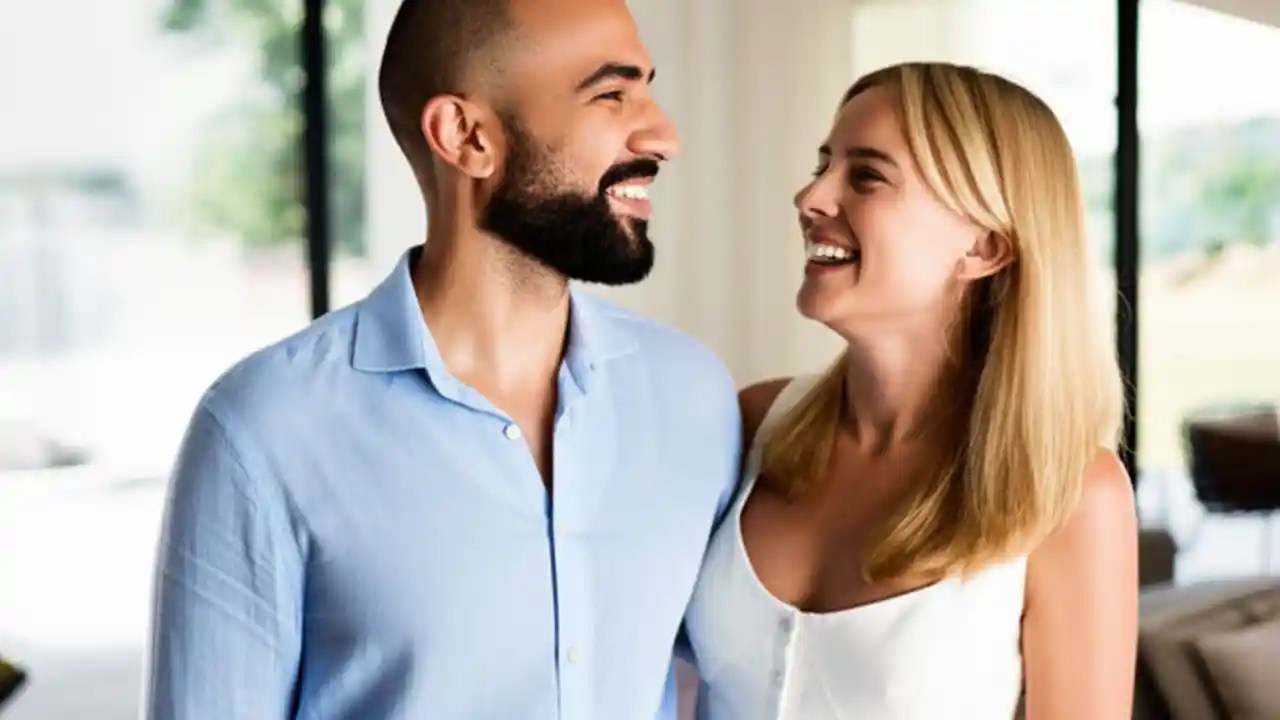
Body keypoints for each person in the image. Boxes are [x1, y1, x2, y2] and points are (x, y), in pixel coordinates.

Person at [142, 1, 741, 718]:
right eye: (611, 94)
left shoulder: (694, 398)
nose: (663, 135)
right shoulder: (266, 430)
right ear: (465, 136)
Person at [683, 62, 1137, 719]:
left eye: (866, 176)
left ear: (984, 247)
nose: (809, 197)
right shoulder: (755, 423)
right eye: (823, 165)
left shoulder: (1072, 495)